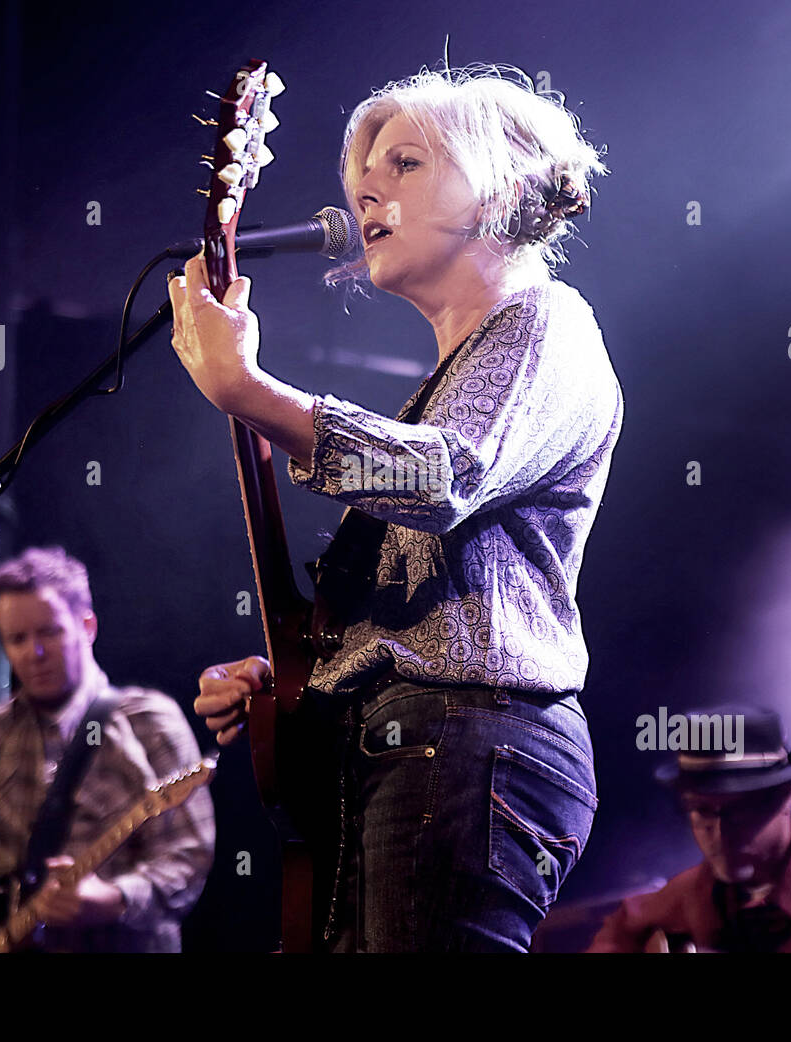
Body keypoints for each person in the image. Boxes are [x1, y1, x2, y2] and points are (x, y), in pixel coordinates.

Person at [170, 65, 621, 951]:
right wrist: (311, 678)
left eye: (407, 163)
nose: (369, 189)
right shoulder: (452, 378)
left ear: (505, 187)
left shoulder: (546, 321)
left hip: (463, 740)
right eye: (362, 178)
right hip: (402, 745)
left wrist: (251, 391)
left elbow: (442, 479)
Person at [0, 546, 215, 952]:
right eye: (17, 639)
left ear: (87, 626)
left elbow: (189, 855)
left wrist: (114, 899)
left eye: (49, 632)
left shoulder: (148, 721)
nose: (33, 653)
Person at [585, 706, 791, 953]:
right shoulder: (702, 888)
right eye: (701, 810)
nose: (718, 834)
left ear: (785, 797)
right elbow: (622, 927)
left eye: (739, 811)